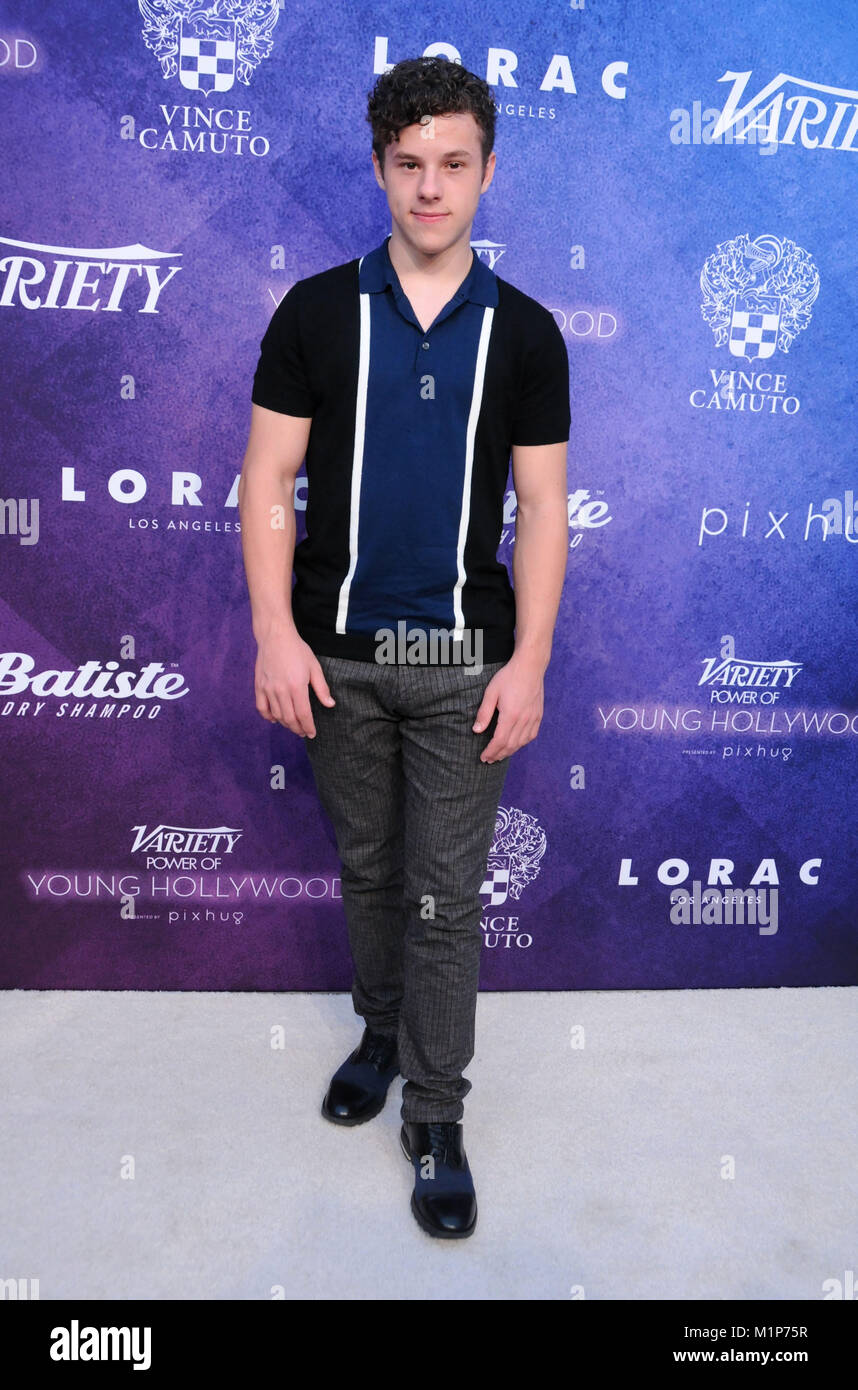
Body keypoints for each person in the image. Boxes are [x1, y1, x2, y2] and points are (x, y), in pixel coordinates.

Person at [238, 55, 570, 1239]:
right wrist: (276, 632)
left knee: (444, 900)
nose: (431, 189)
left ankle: (436, 1113)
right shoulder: (318, 312)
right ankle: (380, 1034)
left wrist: (527, 662)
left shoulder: (526, 334)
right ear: (381, 167)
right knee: (372, 871)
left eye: (455, 165)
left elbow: (541, 511)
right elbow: (269, 482)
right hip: (335, 658)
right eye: (410, 164)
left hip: (463, 665)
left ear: (487, 172)